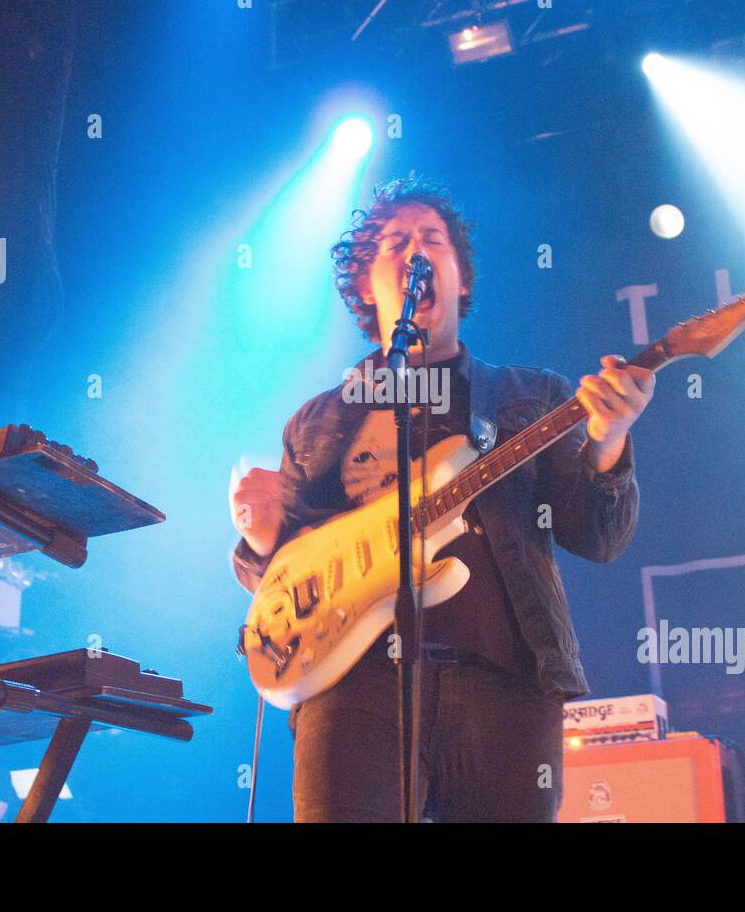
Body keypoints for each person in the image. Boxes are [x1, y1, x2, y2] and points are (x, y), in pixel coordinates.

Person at [230, 177, 654, 821]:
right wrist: (261, 538)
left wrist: (608, 439)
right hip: (354, 688)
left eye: (433, 240)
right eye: (395, 243)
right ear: (367, 290)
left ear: (460, 281)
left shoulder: (528, 397)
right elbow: (284, 590)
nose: (415, 252)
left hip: (505, 680)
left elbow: (597, 535)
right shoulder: (315, 424)